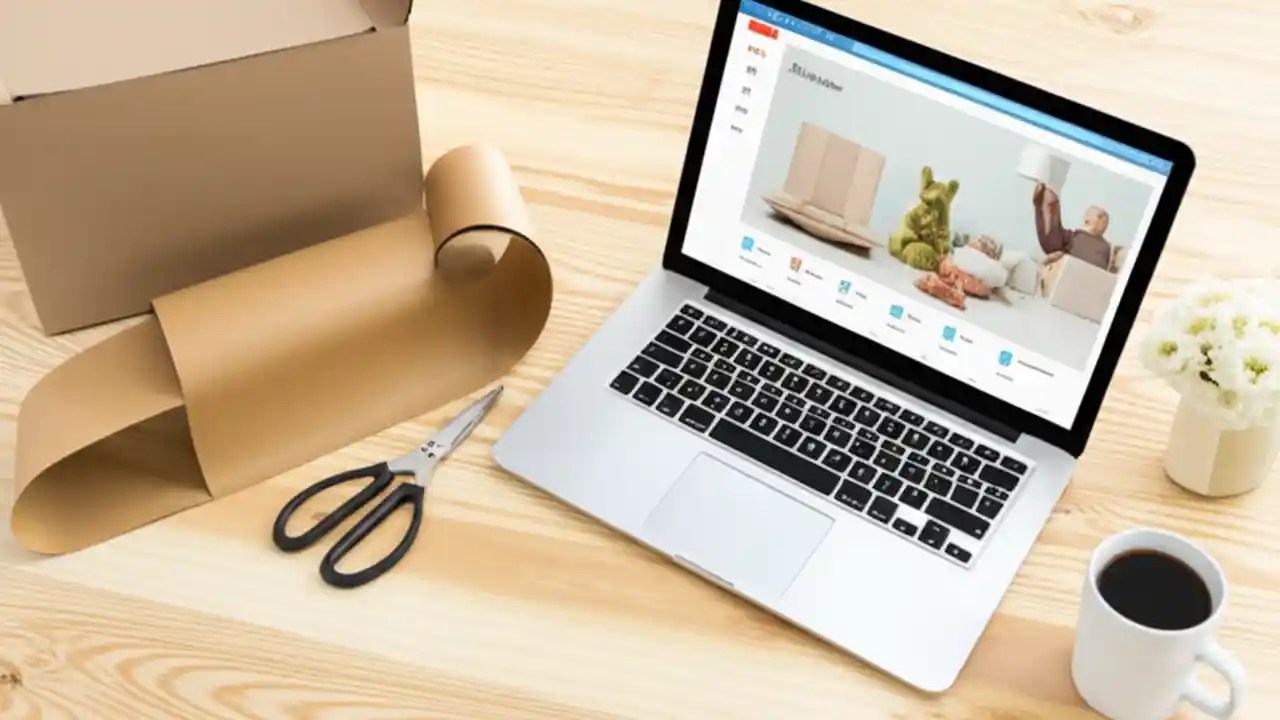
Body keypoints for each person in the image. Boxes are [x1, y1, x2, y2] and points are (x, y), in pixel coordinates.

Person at [1033, 182, 1113, 270]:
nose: (1104, 220)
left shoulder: (1109, 249)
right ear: (1087, 220)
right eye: (1100, 216)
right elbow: (1050, 240)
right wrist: (1047, 200)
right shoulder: (1072, 237)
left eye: (1106, 219)